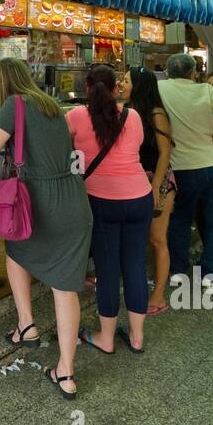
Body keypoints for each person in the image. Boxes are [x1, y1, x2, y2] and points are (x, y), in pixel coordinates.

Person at [0, 58, 93, 399]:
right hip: (74, 200)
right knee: (64, 286)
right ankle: (65, 372)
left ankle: (27, 325)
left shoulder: (14, 104)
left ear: (2, 82)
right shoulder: (52, 105)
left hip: (41, 201)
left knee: (16, 250)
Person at [66, 64, 153, 355]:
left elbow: (65, 151)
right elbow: (136, 149)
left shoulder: (76, 115)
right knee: (135, 264)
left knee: (107, 269)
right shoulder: (133, 115)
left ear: (87, 88)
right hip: (140, 197)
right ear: (116, 88)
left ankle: (105, 337)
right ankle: (137, 336)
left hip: (102, 202)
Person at [157, 53, 213, 281]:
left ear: (168, 72)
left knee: (179, 220)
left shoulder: (159, 89)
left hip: (181, 166)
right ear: (193, 73)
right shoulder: (206, 90)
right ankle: (212, 275)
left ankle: (177, 270)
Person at [126, 67, 174, 316]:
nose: (121, 83)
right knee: (140, 239)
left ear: (139, 85)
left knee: (157, 239)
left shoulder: (156, 113)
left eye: (126, 80)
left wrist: (156, 187)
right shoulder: (129, 111)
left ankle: (158, 295)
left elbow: (166, 153)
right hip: (135, 181)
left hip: (158, 181)